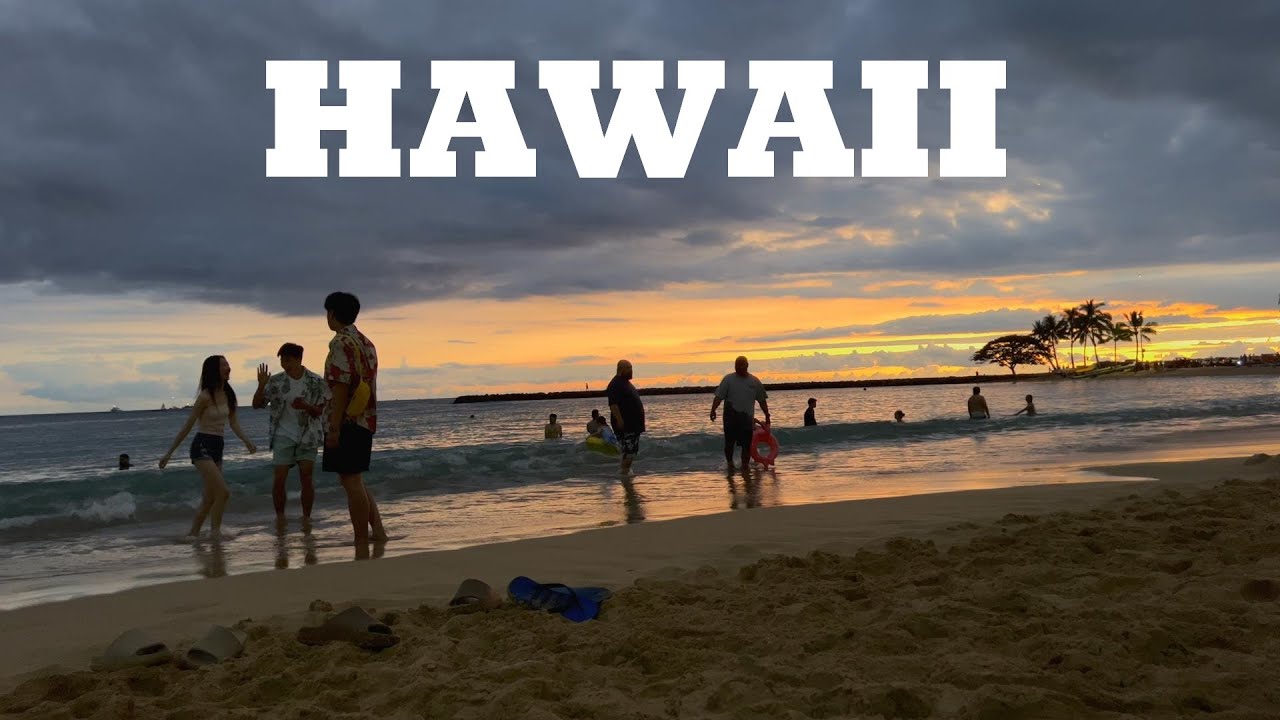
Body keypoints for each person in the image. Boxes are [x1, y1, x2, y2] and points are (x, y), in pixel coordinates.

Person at [159, 355, 257, 539]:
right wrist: (169, 454)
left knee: (210, 497)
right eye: (223, 365)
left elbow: (233, 423)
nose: (228, 368)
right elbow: (188, 426)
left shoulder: (229, 394)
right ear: (214, 371)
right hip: (201, 446)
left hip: (218, 445)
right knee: (224, 492)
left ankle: (193, 535)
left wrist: (247, 441)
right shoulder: (205, 397)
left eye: (228, 364)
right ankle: (215, 533)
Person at [322, 291, 387, 550]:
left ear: (332, 313)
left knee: (351, 481)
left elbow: (340, 387)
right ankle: (378, 532)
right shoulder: (365, 342)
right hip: (365, 417)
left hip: (348, 420)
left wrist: (334, 427)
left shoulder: (340, 342)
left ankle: (361, 538)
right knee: (355, 479)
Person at [253, 342, 331, 525]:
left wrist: (306, 406)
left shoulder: (315, 381)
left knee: (307, 477)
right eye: (282, 361)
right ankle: (280, 517)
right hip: (283, 434)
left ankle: (306, 517)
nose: (284, 365)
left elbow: (321, 410)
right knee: (279, 479)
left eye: (288, 360)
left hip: (308, 434)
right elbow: (257, 405)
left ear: (299, 359)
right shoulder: (276, 381)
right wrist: (261, 385)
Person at [710, 356, 771, 472]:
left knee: (746, 445)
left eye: (742, 365)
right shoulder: (728, 379)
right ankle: (730, 464)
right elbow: (719, 397)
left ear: (747, 365)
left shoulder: (754, 381)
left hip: (746, 418)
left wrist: (767, 415)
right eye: (737, 365)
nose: (740, 367)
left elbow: (762, 400)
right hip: (730, 417)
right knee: (729, 443)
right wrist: (713, 410)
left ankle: (745, 467)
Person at [606, 360, 645, 474]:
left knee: (630, 452)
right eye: (628, 368)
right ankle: (624, 475)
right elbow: (613, 405)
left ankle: (626, 478)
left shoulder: (625, 382)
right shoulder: (615, 384)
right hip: (626, 425)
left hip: (633, 425)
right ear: (620, 369)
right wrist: (619, 420)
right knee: (628, 452)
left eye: (631, 367)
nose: (631, 370)